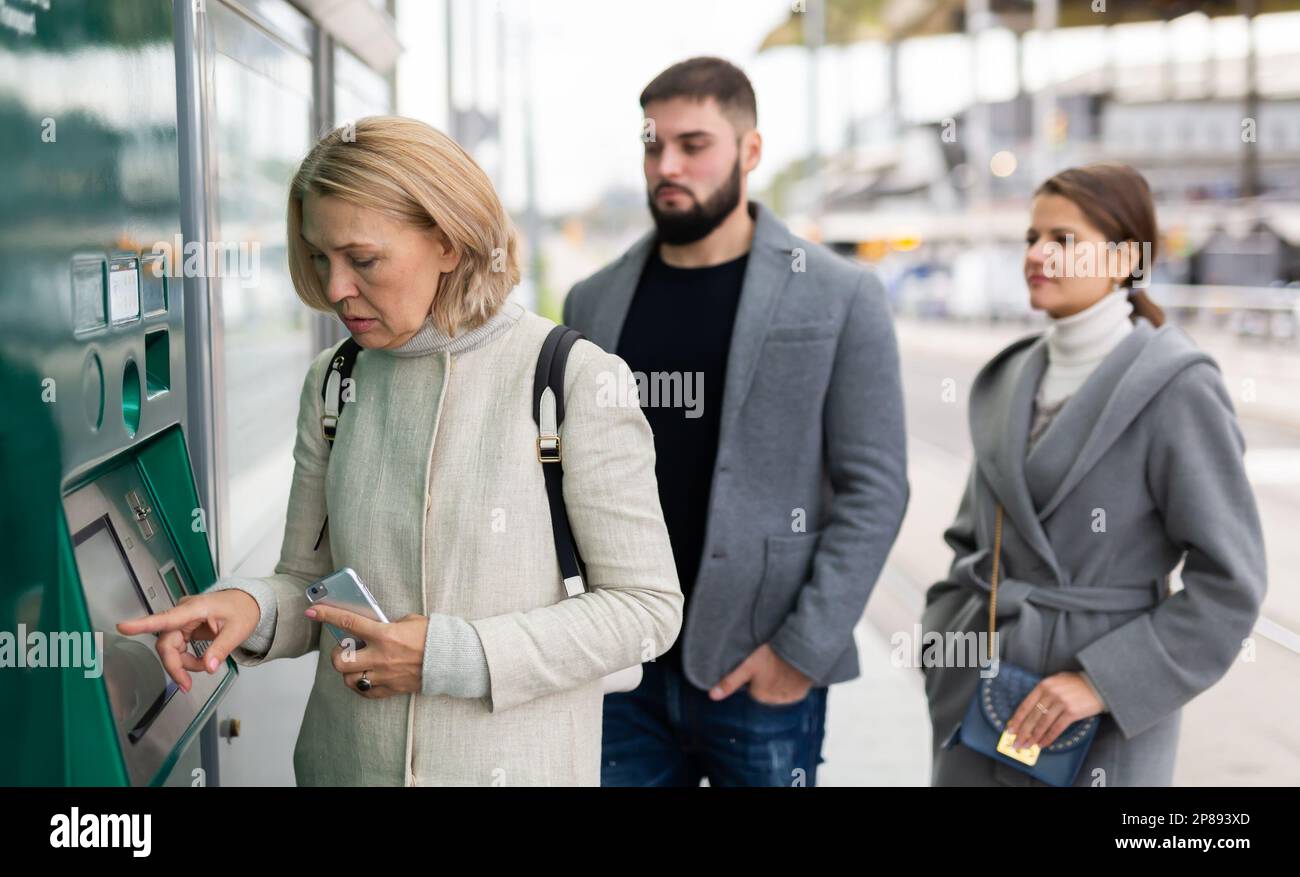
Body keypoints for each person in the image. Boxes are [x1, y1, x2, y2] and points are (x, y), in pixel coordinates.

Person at [119, 116, 682, 786]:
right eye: (320, 257)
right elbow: (310, 581)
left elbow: (647, 607)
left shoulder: (574, 378)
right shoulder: (334, 380)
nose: (334, 289)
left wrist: (449, 655)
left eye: (363, 259)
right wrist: (250, 607)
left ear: (447, 242)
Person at [563, 57, 909, 787]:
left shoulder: (840, 294)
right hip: (621, 672)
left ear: (750, 151)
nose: (667, 164)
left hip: (761, 672)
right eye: (654, 144)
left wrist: (800, 651)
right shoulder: (593, 302)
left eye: (694, 144)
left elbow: (876, 487)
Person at [922, 162, 1267, 786]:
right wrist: (943, 644)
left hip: (1096, 721)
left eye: (1064, 240)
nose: (1038, 254)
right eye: (1032, 238)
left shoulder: (1177, 386)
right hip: (980, 700)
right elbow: (968, 542)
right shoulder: (1008, 377)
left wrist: (1103, 682)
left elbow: (1231, 584)